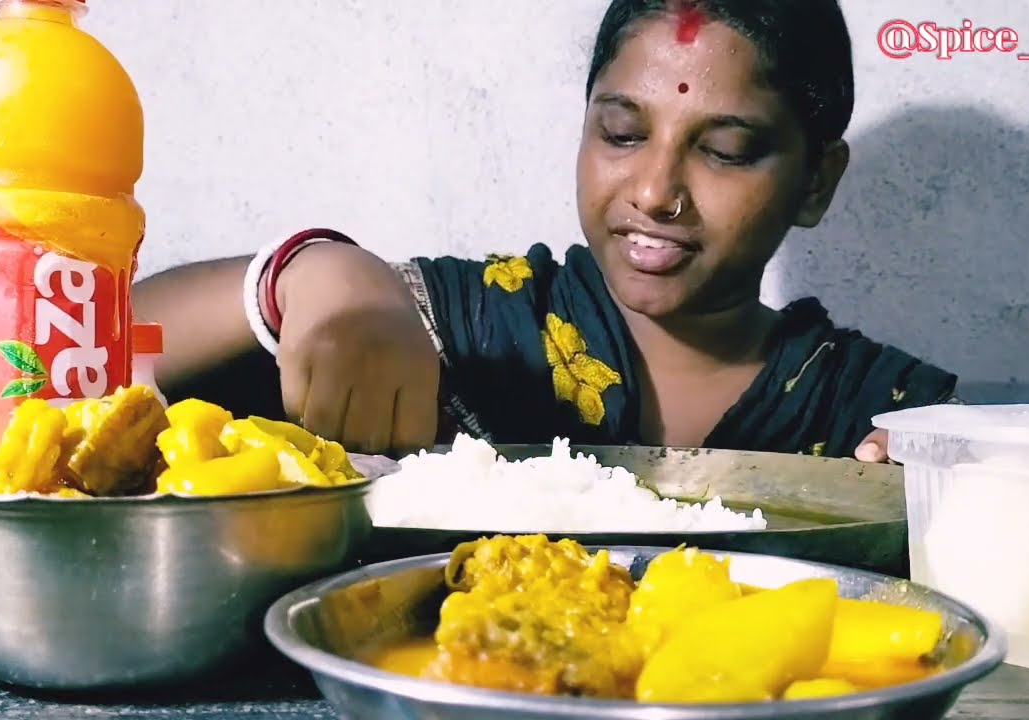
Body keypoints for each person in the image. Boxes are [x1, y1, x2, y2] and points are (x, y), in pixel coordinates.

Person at [134, 0, 959, 460]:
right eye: (623, 134)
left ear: (816, 180)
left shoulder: (874, 411)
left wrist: (931, 502)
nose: (655, 191)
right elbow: (93, 351)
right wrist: (309, 274)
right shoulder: (468, 321)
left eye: (727, 150)